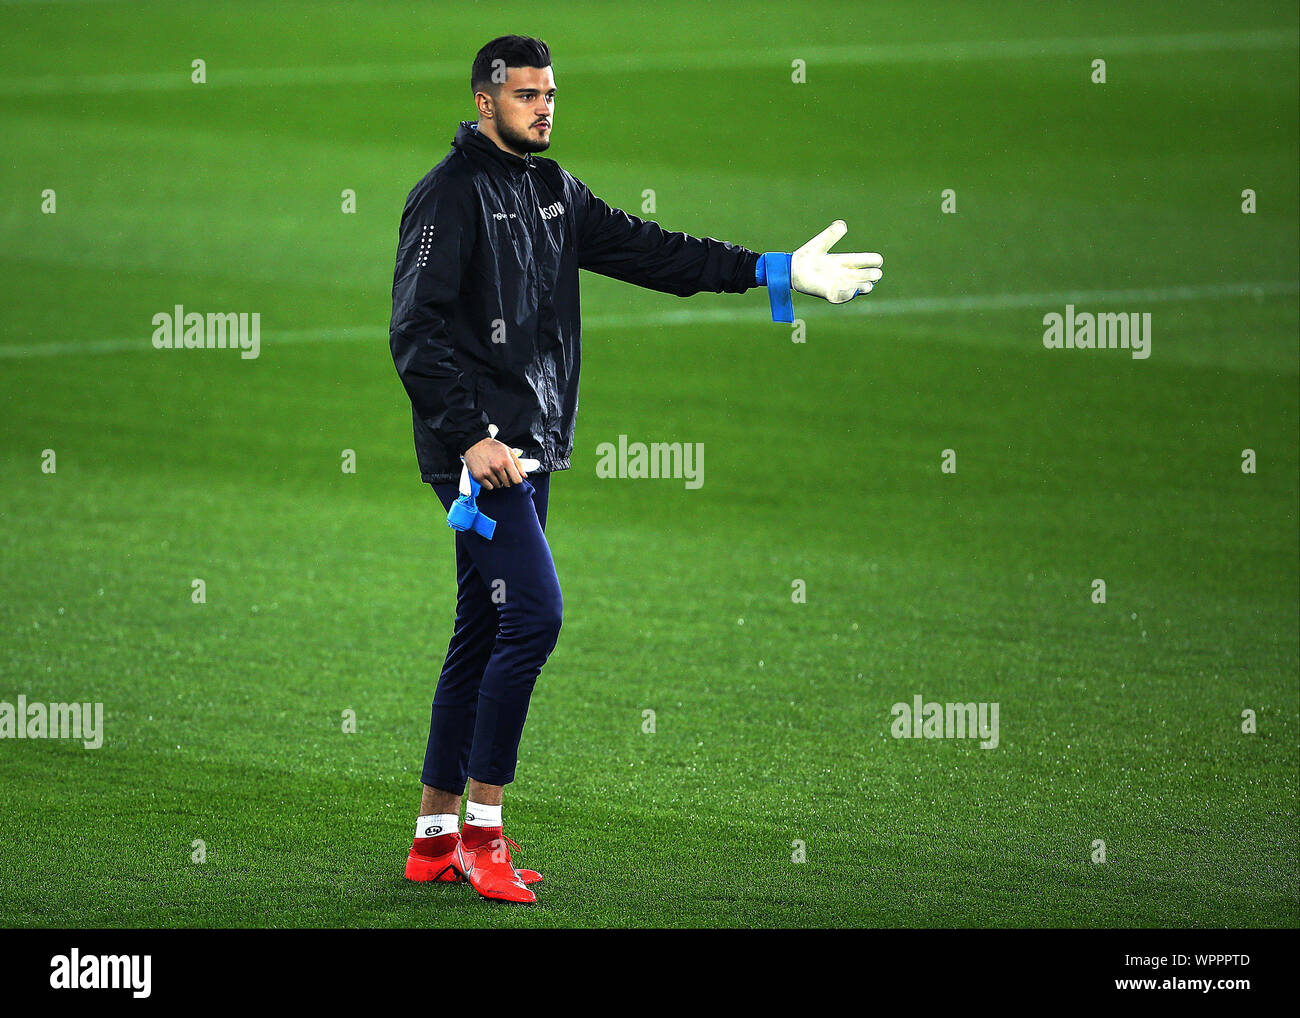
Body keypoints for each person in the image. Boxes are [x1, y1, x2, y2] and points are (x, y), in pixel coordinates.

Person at [390, 34, 883, 904]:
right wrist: (471, 438)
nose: (544, 107)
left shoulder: (552, 191)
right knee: (534, 617)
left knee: (483, 627)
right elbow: (415, 334)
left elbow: (656, 252)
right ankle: (483, 834)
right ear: (484, 102)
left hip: (531, 449)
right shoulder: (447, 196)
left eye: (551, 94)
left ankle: (433, 840)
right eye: (526, 96)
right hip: (484, 460)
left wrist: (775, 271)